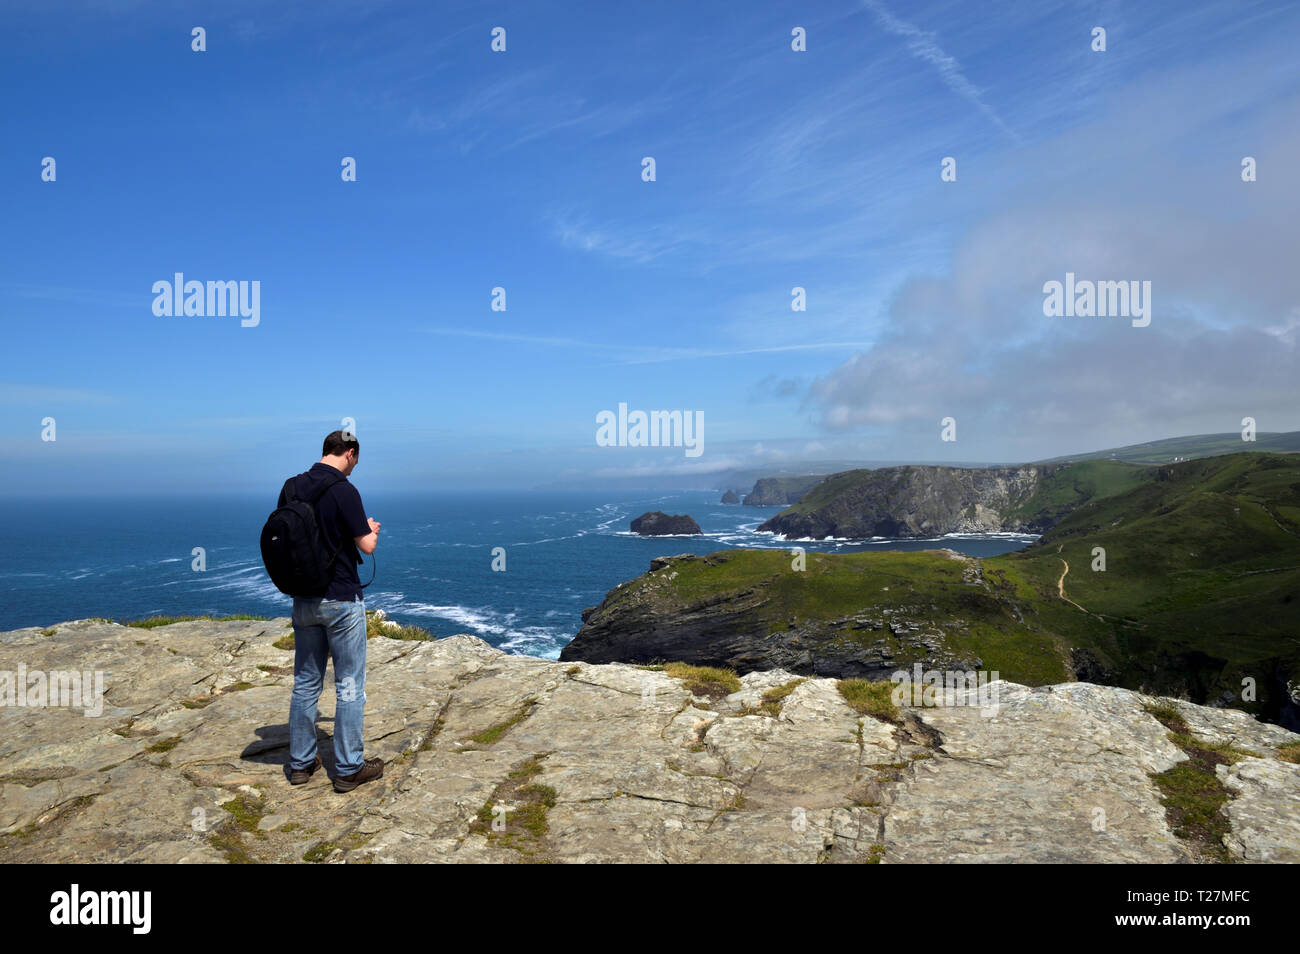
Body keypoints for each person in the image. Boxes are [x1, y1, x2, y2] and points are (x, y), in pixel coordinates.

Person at [282, 430, 385, 793]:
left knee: (306, 683)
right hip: (341, 599)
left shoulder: (292, 486)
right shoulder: (344, 490)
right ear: (351, 454)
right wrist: (371, 529)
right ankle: (348, 768)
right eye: (356, 460)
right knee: (349, 685)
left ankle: (301, 762)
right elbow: (366, 546)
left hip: (303, 599)